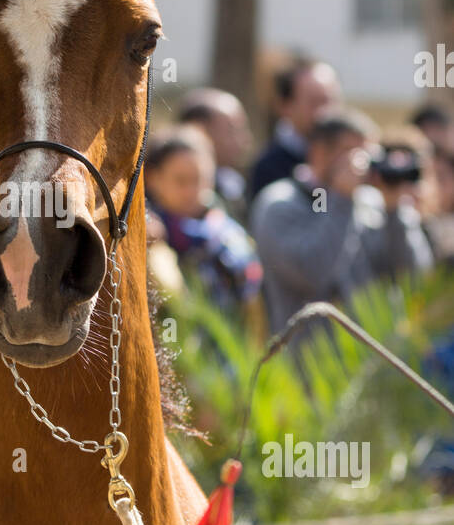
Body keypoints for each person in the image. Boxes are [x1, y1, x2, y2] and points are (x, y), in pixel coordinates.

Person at [251, 109, 434, 335]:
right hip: (307, 363)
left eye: (369, 155)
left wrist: (395, 210)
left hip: (370, 360)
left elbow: (414, 279)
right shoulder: (281, 204)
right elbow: (313, 274)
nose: (363, 165)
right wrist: (340, 199)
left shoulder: (370, 202)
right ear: (318, 153)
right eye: (352, 154)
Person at [144, 126, 262, 310]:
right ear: (153, 179)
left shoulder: (227, 232)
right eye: (181, 181)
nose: (192, 191)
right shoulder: (146, 234)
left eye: (200, 179)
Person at [248, 57, 341, 203]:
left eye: (330, 101)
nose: (325, 112)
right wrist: (319, 183)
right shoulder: (272, 166)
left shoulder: (349, 154)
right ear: (284, 106)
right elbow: (318, 215)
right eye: (314, 102)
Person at [177, 87, 253, 219]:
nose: (245, 140)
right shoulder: (162, 200)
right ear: (199, 130)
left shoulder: (232, 185)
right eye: (233, 130)